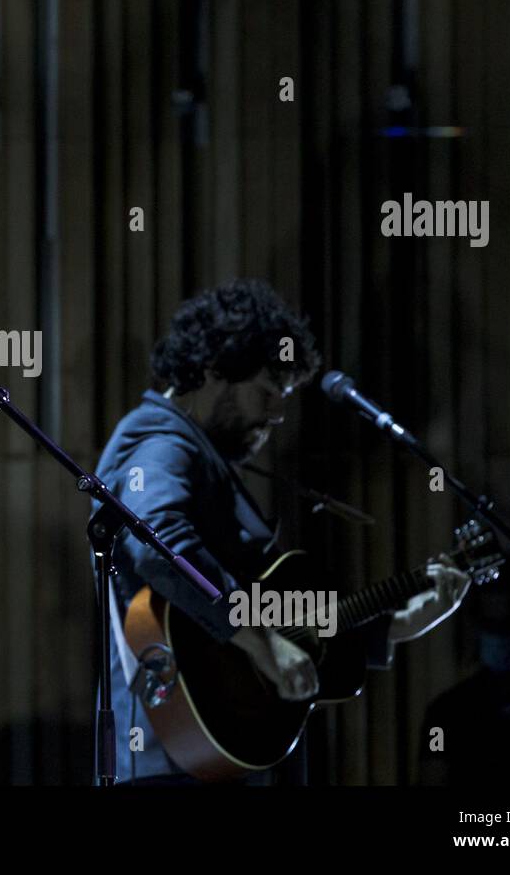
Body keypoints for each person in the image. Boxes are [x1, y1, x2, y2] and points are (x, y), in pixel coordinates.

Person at [92, 279, 469, 784]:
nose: (277, 413)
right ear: (213, 370)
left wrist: (393, 625)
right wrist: (260, 643)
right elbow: (159, 545)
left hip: (206, 750)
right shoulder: (161, 444)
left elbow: (267, 606)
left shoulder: (199, 453)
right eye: (267, 391)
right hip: (170, 752)